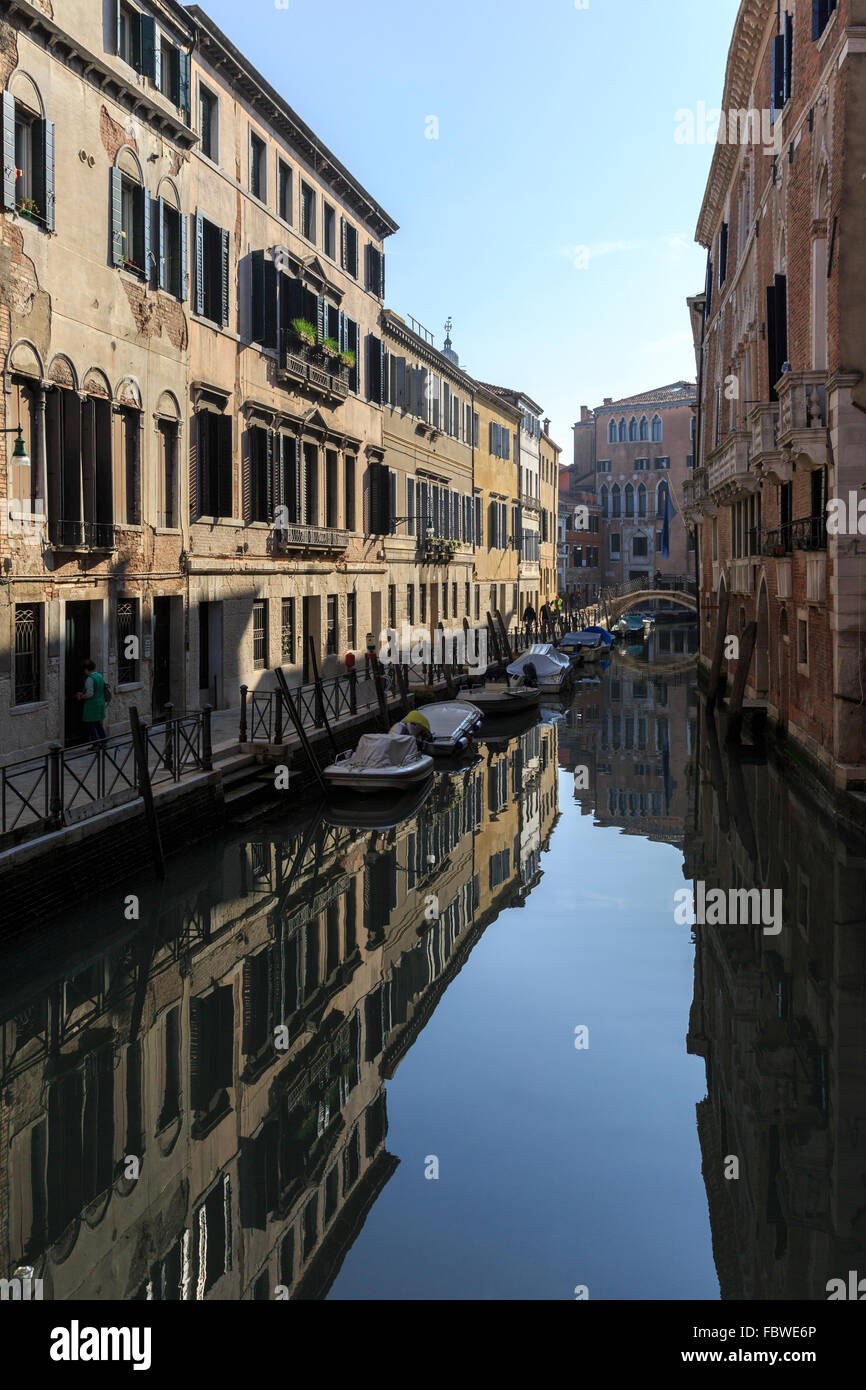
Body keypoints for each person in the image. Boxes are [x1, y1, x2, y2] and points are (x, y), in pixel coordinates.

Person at [76, 659, 108, 743]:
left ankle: (95, 744)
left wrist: (81, 696)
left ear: (86, 669)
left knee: (91, 726)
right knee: (98, 724)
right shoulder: (99, 676)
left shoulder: (90, 679)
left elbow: (90, 694)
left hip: (92, 705)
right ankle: (104, 741)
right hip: (100, 703)